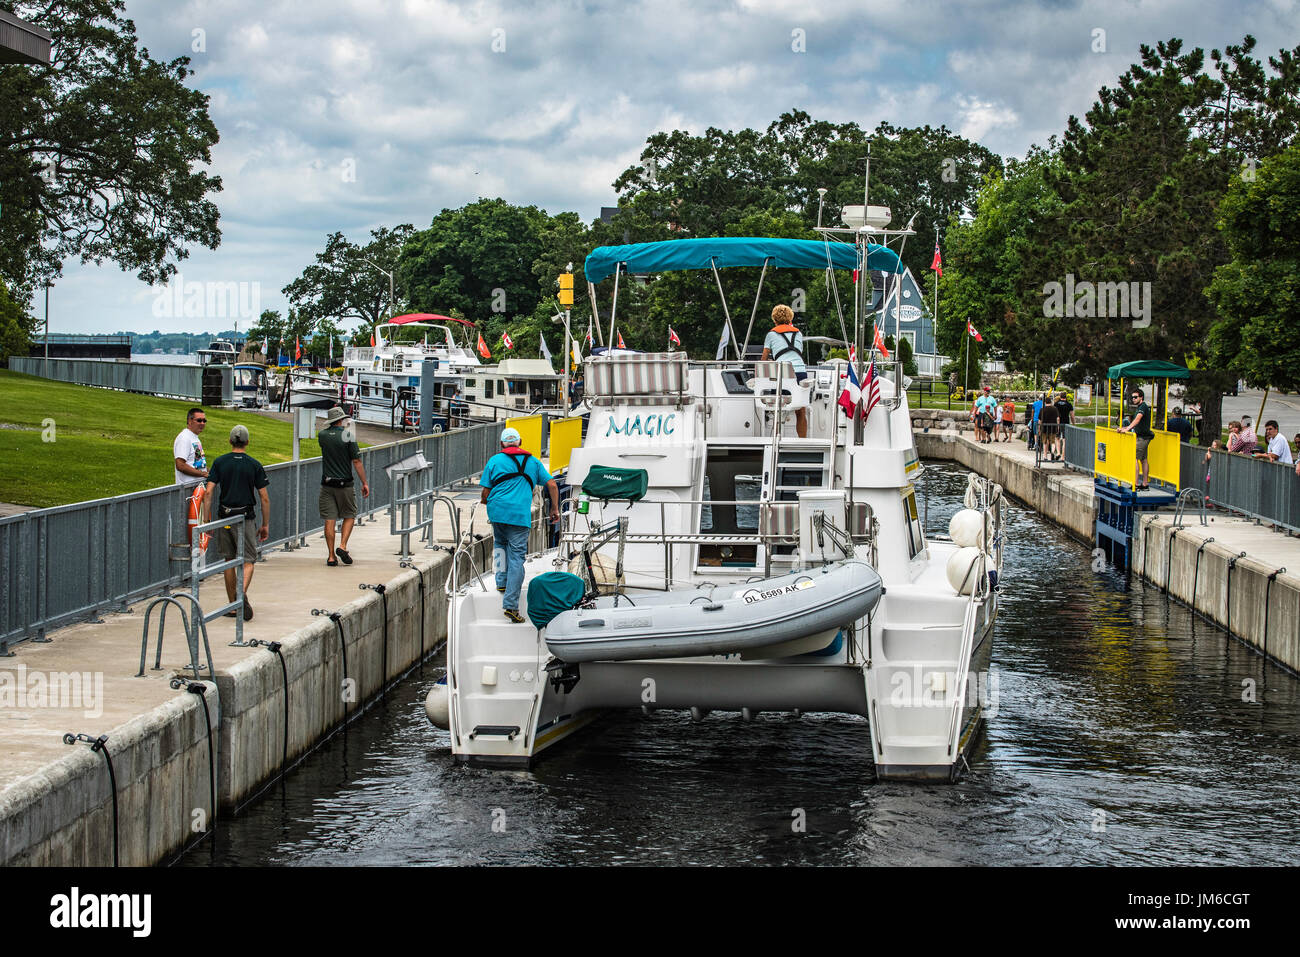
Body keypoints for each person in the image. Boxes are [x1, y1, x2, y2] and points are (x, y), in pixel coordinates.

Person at [479, 426, 560, 623]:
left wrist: (486, 502)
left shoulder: (495, 461)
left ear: (501, 444)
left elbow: (485, 492)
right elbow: (552, 484)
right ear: (520, 442)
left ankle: (501, 582)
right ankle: (511, 605)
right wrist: (554, 509)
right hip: (518, 516)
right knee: (516, 558)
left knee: (499, 544)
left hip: (497, 511)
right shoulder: (532, 462)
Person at [203, 425, 270, 621]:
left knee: (229, 560)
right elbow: (264, 497)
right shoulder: (254, 464)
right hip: (245, 518)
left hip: (225, 518)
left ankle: (233, 604)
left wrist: (208, 521)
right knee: (249, 560)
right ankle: (241, 595)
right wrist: (265, 524)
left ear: (230, 441)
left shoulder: (220, 462)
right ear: (247, 442)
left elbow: (208, 492)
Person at [317, 406, 370, 566]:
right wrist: (364, 482)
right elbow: (356, 461)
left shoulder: (322, 435)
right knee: (349, 514)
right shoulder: (348, 435)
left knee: (329, 519)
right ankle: (343, 545)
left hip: (327, 484)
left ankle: (331, 556)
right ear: (341, 419)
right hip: (345, 483)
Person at [760, 304, 808, 438]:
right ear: (790, 317)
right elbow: (797, 353)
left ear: (774, 319)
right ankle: (802, 441)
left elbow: (763, 359)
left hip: (782, 374)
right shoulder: (798, 333)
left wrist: (770, 361)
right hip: (800, 372)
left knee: (778, 409)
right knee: (801, 410)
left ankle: (777, 439)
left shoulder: (771, 334)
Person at [1116, 386, 1155, 489]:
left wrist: (1127, 429)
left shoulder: (1142, 407)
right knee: (1144, 459)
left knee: (1134, 458)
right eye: (1132, 397)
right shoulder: (1140, 407)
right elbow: (1136, 423)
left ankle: (1135, 483)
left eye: (1135, 397)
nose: (1133, 399)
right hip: (1143, 436)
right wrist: (1124, 428)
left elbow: (1137, 419)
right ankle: (1145, 483)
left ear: (1141, 397)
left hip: (1142, 437)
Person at [174, 407, 209, 485]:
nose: (202, 423)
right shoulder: (184, 438)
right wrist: (203, 474)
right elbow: (180, 465)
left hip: (197, 488)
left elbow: (198, 463)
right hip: (187, 489)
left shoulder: (194, 438)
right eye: (199, 420)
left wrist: (209, 471)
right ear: (190, 421)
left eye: (204, 421)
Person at [1052, 390, 1074, 460]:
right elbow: (1072, 415)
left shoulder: (1056, 404)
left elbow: (1054, 414)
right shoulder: (1069, 404)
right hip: (1066, 423)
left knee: (1057, 438)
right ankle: (1063, 456)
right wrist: (1073, 423)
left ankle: (1058, 452)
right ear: (1066, 397)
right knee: (1064, 440)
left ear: (1060, 396)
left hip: (1057, 423)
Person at [1038, 394, 1060, 461]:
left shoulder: (1042, 409)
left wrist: (1039, 427)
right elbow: (1058, 418)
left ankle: (1045, 456)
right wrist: (1058, 426)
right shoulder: (1055, 409)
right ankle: (1053, 452)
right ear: (1051, 402)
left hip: (1044, 428)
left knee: (1045, 442)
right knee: (1052, 442)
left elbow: (1039, 420)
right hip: (1053, 427)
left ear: (1045, 402)